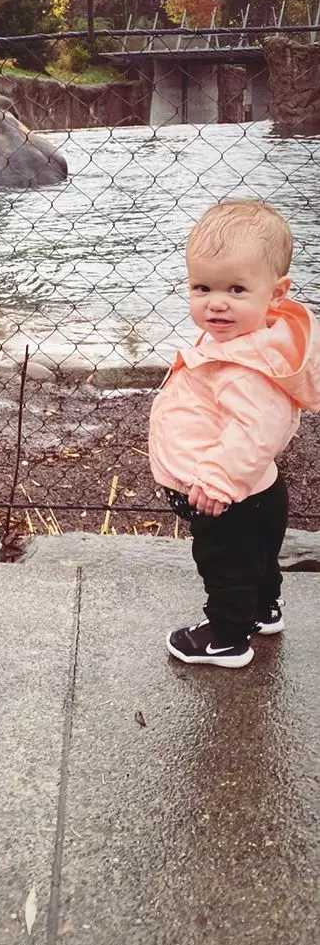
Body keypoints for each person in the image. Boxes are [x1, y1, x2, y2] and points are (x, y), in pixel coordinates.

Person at [149, 199, 320, 669]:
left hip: (224, 493)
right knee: (259, 556)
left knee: (225, 562)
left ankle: (227, 638)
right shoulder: (242, 340)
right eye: (202, 287)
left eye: (236, 289)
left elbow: (256, 428)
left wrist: (218, 479)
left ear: (277, 294)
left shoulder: (249, 367)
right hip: (256, 487)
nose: (216, 302)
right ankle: (264, 609)